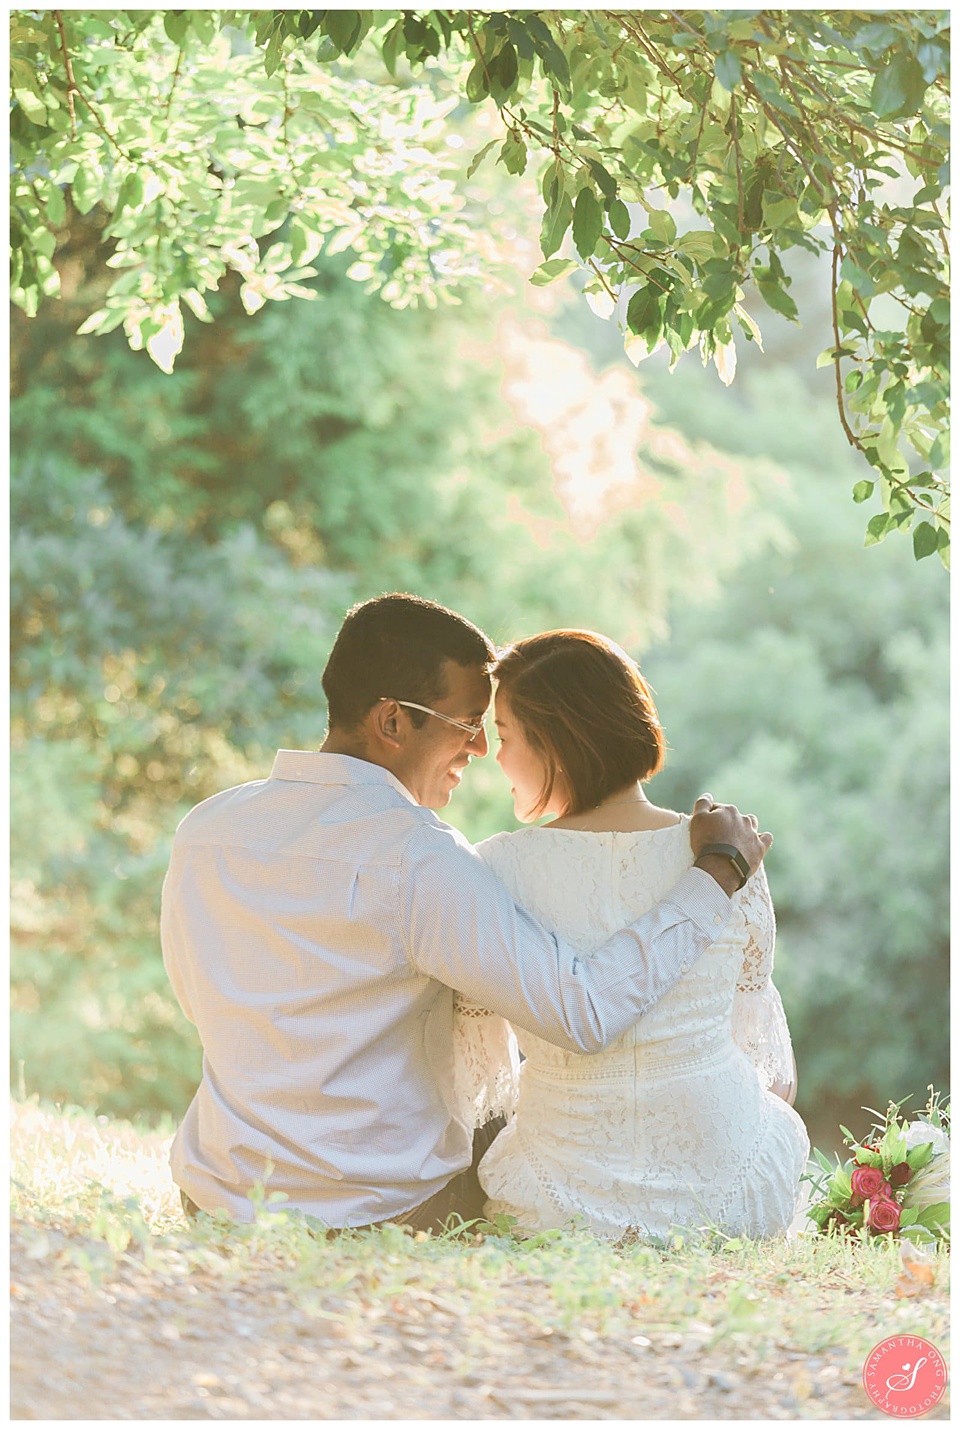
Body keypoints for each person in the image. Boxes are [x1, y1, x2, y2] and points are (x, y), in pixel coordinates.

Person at [161, 593, 772, 1231]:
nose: (480, 748)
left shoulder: (206, 830)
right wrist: (716, 874)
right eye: (467, 722)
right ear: (392, 721)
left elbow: (199, 1000)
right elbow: (581, 1012)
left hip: (217, 1199)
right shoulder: (418, 856)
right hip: (380, 1211)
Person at [462, 629, 808, 1241]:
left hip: (554, 1194)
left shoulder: (495, 869)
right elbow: (766, 1063)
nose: (494, 754)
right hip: (733, 1190)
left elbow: (477, 1078)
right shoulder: (729, 854)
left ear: (555, 744)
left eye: (506, 735)